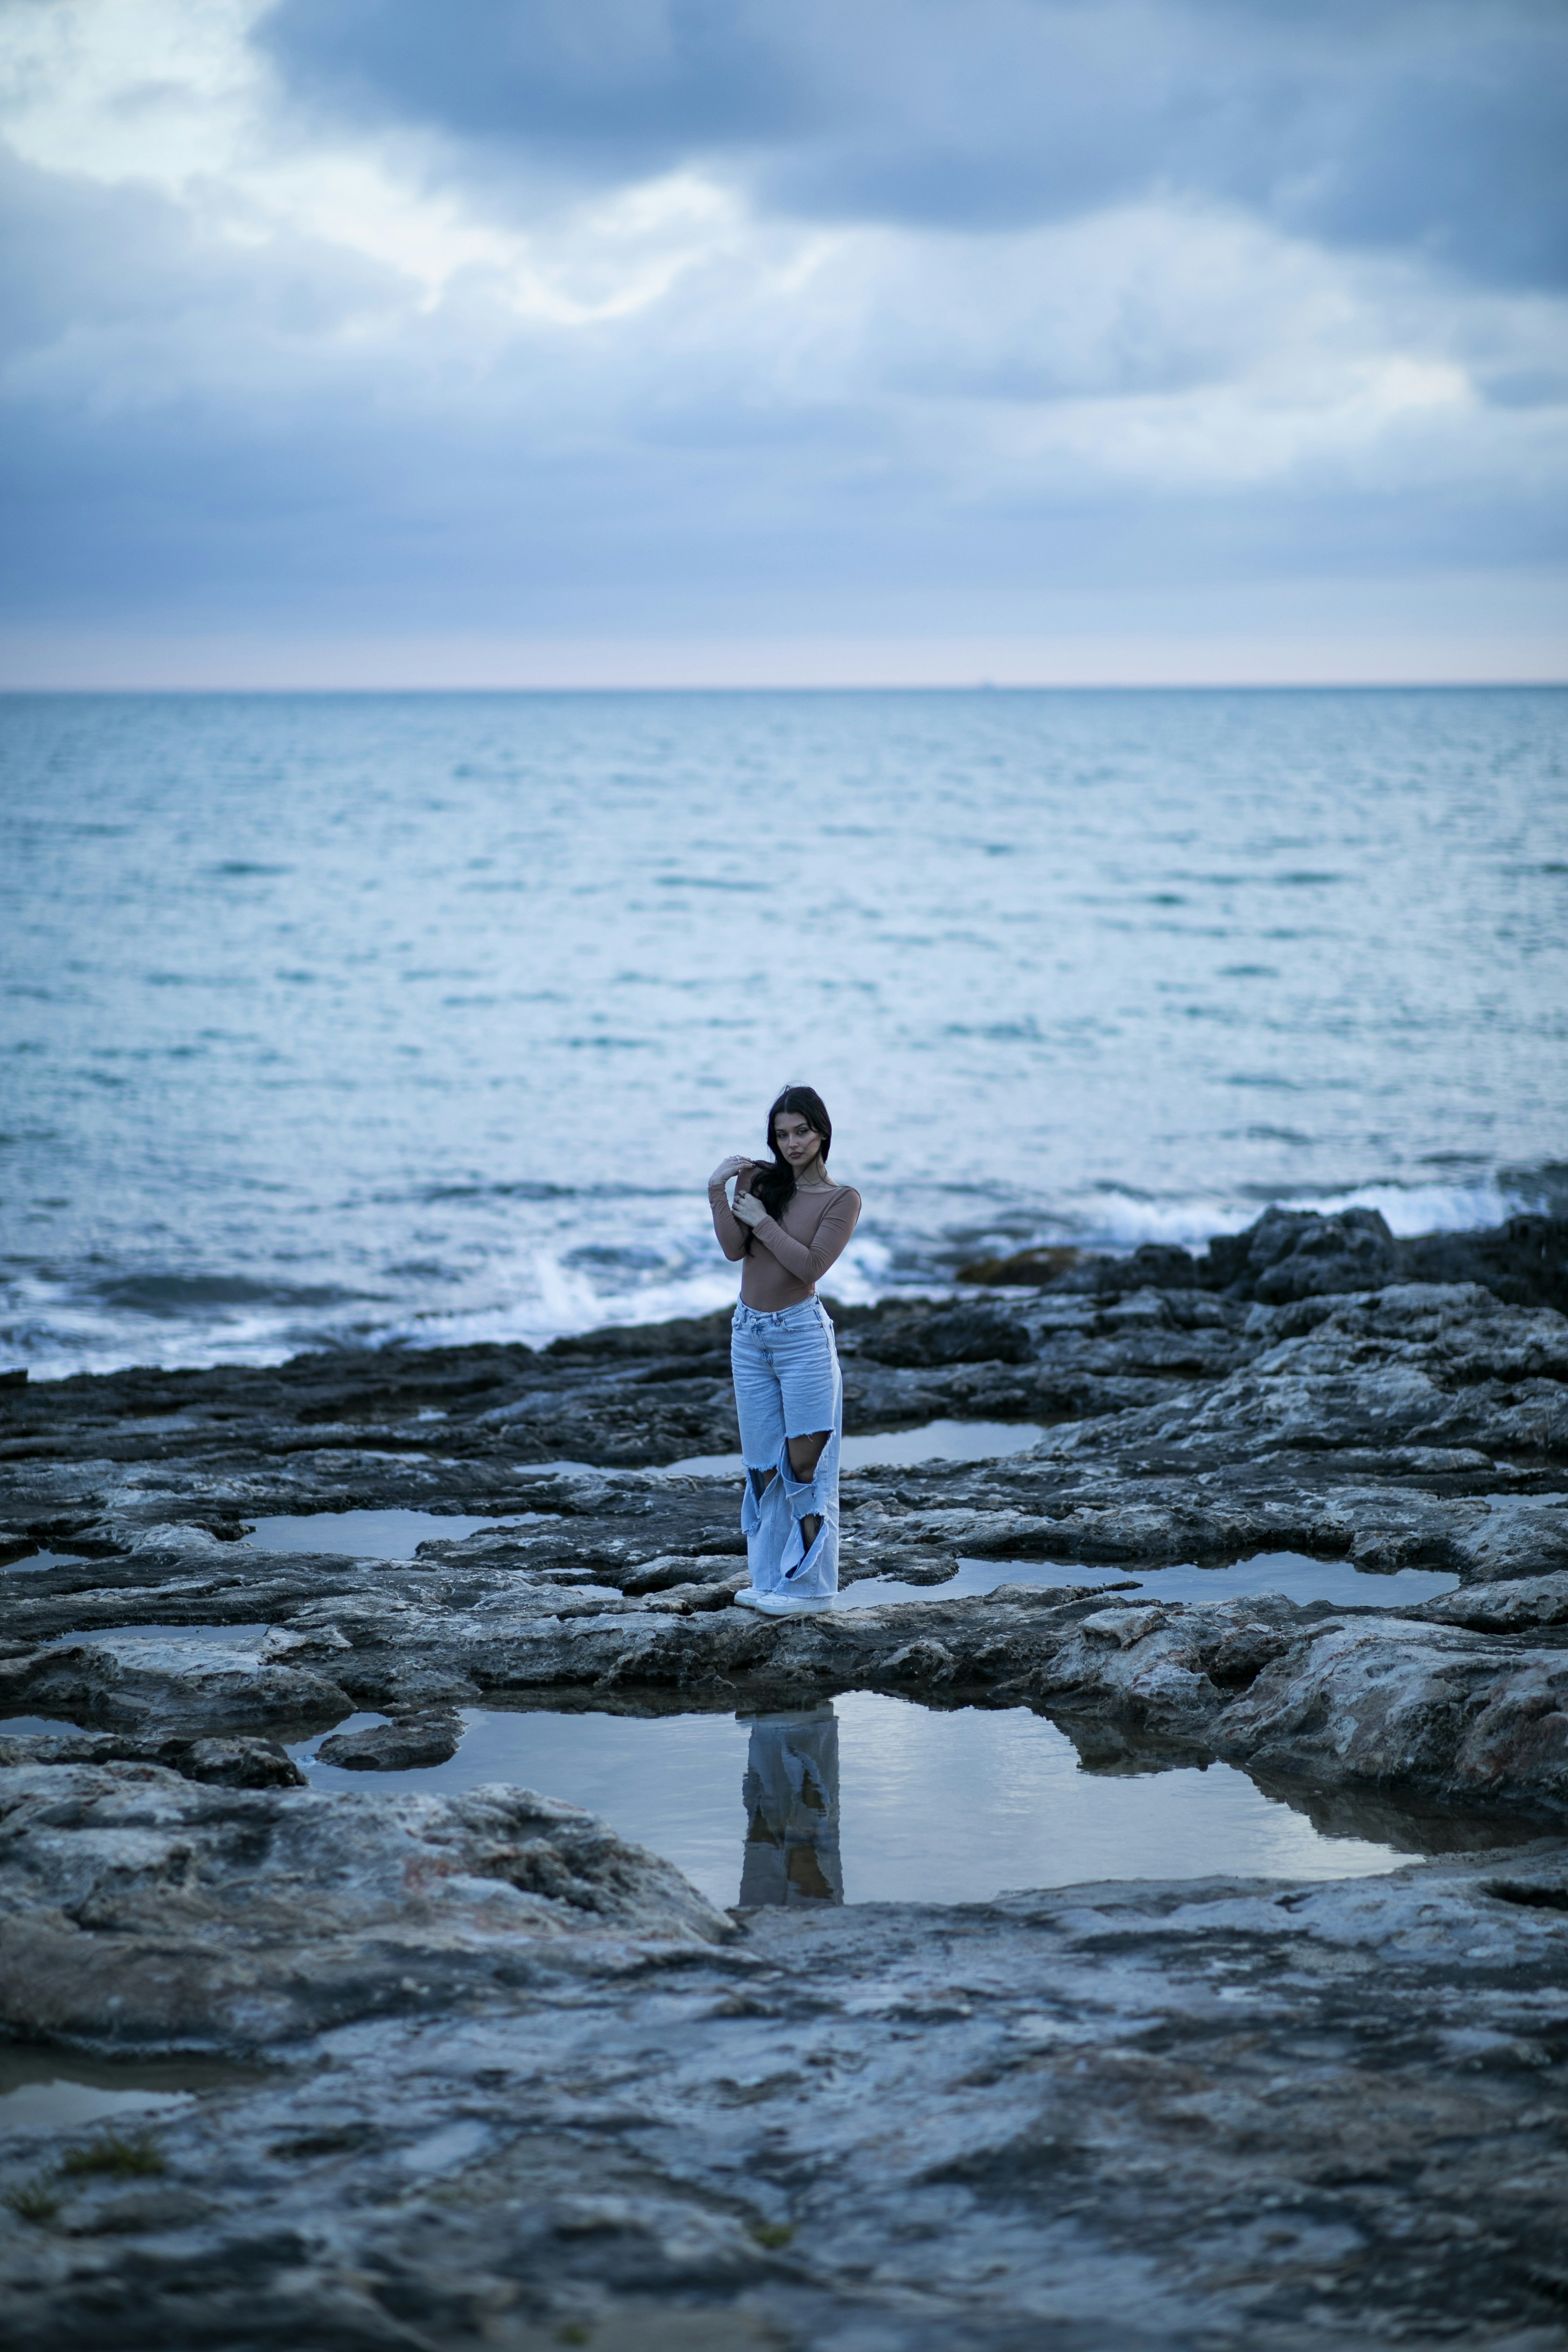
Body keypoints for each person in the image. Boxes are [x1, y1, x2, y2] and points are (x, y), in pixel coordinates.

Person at [707, 1085, 860, 1616]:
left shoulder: (843, 1199)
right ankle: (771, 1580)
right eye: (781, 1134)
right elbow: (734, 1250)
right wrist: (717, 1193)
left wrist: (763, 1222)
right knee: (762, 1467)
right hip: (748, 1335)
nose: (792, 1143)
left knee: (805, 1467)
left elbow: (811, 1267)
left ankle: (812, 1589)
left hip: (802, 1339)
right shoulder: (763, 1184)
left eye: (801, 1132)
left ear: (822, 1132)